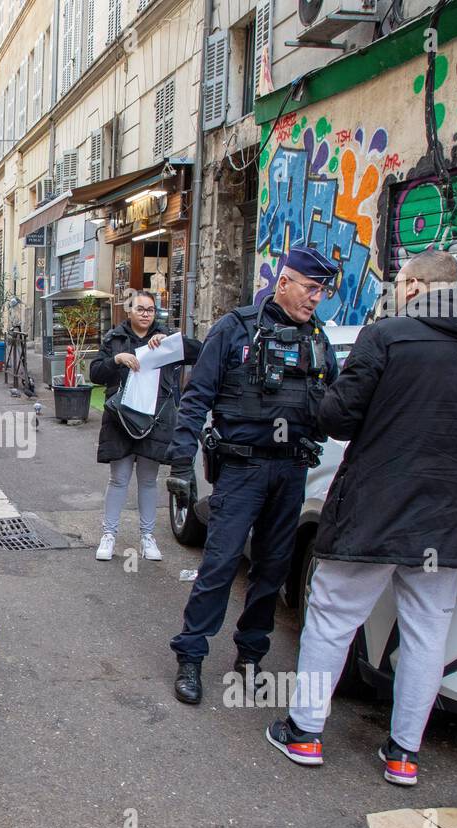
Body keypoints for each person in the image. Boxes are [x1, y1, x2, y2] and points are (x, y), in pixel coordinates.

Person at [265, 249, 457, 786]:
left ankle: (306, 732)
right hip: (456, 515)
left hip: (377, 508)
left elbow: (336, 417)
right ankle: (404, 753)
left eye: (400, 283)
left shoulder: (387, 337)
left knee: (334, 615)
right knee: (428, 632)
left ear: (413, 287)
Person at [165, 246, 341, 705]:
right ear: (283, 282)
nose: (315, 299)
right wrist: (181, 463)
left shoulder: (318, 340)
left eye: (322, 291)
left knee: (272, 569)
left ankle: (250, 655)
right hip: (242, 469)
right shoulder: (235, 328)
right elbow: (195, 397)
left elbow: (338, 404)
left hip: (292, 469)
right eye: (310, 288)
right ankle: (191, 655)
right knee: (221, 564)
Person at [89, 290, 201, 562]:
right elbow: (94, 373)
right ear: (130, 311)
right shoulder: (115, 338)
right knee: (119, 479)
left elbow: (198, 352)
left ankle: (147, 537)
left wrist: (171, 342)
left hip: (156, 420)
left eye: (150, 309)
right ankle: (109, 535)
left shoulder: (164, 339)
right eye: (140, 309)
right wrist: (116, 360)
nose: (145, 314)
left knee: (149, 481)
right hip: (121, 420)